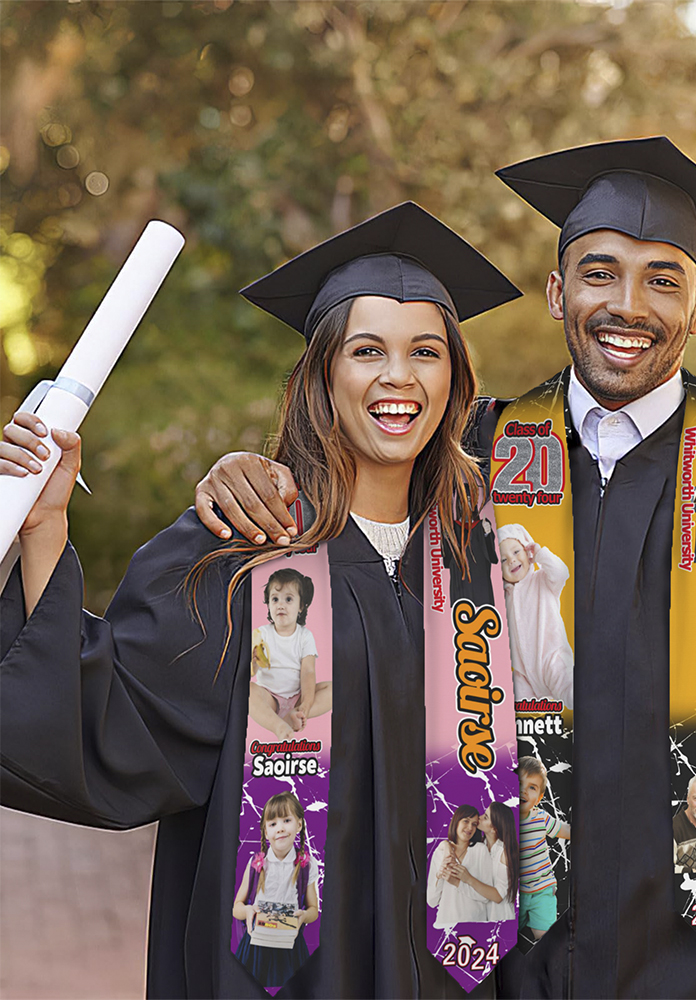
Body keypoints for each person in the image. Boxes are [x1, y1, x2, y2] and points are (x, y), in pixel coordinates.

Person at [190, 136, 696, 999]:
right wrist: (255, 473)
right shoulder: (455, 468)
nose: (627, 304)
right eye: (600, 271)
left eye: (663, 280)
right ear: (556, 291)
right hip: (495, 967)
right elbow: (328, 522)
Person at [0, 202, 521, 999]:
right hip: (278, 973)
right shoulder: (240, 551)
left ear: (454, 380)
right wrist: (43, 529)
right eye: (366, 350)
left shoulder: (490, 561)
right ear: (323, 375)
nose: (398, 377)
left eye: (425, 352)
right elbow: (107, 720)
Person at [232, 790, 319, 987]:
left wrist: (304, 916)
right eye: (272, 824)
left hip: (290, 947)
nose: (279, 828)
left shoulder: (306, 865)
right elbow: (237, 906)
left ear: (299, 824)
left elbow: (313, 909)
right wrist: (247, 910)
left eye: (286, 820)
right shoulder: (256, 863)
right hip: (256, 948)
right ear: (265, 831)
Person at [497, 523, 574, 707]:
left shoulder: (542, 580)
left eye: (516, 552)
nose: (512, 561)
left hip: (552, 658)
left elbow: (562, 573)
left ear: (527, 551)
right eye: (503, 560)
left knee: (571, 692)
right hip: (523, 673)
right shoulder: (503, 596)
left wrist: (540, 553)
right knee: (516, 711)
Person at [251, 567, 331, 739]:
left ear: (301, 606)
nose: (280, 605)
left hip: (298, 696)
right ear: (268, 604)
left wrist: (306, 705)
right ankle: (277, 725)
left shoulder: (305, 636)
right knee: (248, 691)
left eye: (288, 599)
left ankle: (296, 714)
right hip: (269, 697)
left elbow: (308, 672)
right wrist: (253, 663)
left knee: (333, 689)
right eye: (275, 599)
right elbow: (252, 672)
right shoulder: (262, 634)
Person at [518, 755, 571, 942]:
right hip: (514, 894)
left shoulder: (540, 817)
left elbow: (563, 830)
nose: (524, 790)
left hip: (542, 888)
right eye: (519, 782)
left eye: (532, 787)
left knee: (545, 937)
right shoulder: (503, 818)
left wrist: (583, 829)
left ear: (539, 797)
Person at [426, 804, 491, 927]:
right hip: (446, 925)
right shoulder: (440, 852)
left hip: (475, 924)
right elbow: (432, 901)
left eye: (474, 824)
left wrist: (458, 882)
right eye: (466, 821)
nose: (470, 827)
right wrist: (439, 876)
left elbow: (486, 896)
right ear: (456, 821)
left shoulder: (480, 850)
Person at [477, 801, 518, 921]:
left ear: (494, 829)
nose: (479, 818)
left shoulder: (503, 853)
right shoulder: (480, 846)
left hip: (501, 920)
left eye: (485, 817)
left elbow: (498, 896)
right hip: (483, 919)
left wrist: (468, 878)